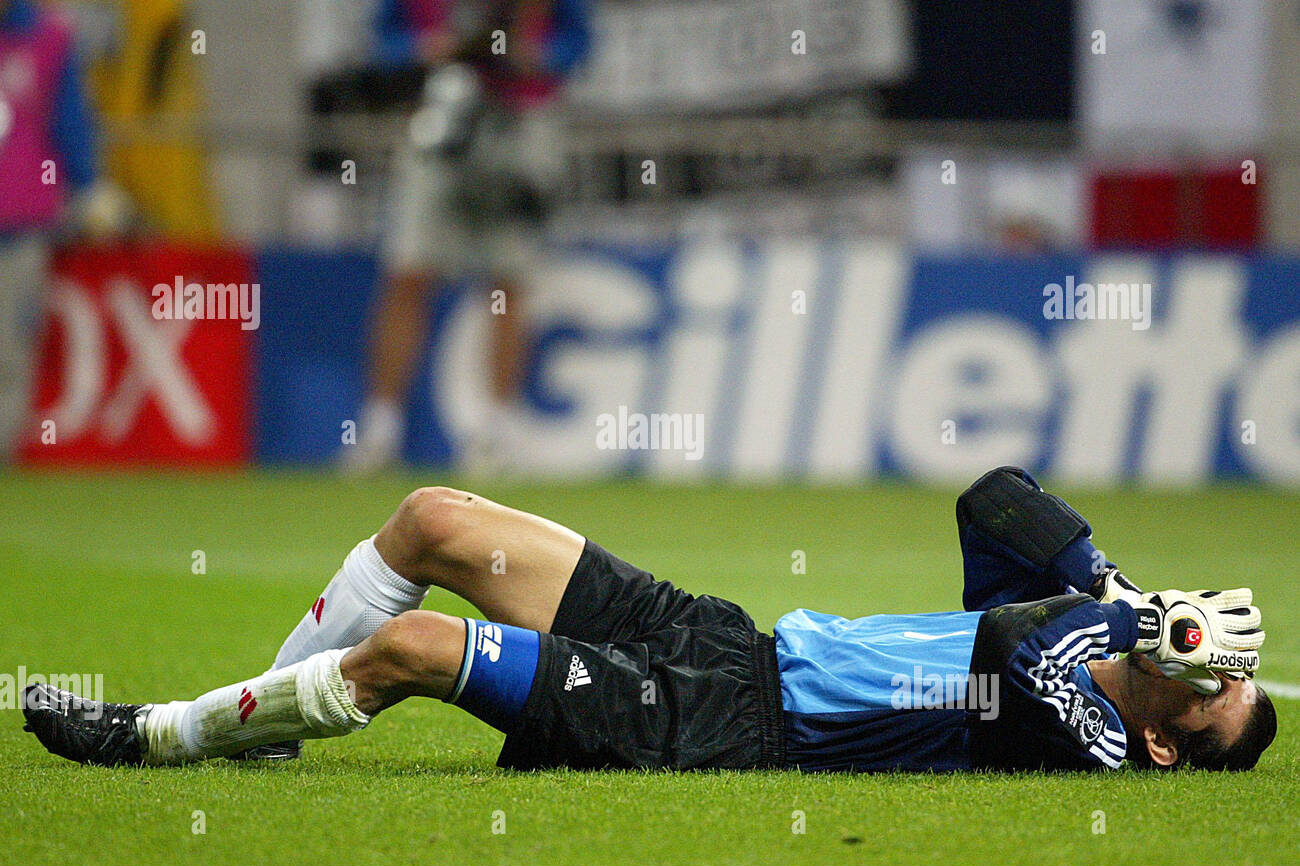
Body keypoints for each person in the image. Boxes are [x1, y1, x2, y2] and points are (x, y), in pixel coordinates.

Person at [22, 467, 1276, 773]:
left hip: (720, 723)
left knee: (406, 652)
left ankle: (157, 735)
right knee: (435, 520)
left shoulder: (1087, 736)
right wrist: (1115, 580)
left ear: (1172, 743)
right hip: (727, 637)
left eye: (1218, 692)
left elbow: (1010, 652)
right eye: (1230, 661)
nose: (1209, 660)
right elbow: (993, 498)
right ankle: (275, 724)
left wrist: (1095, 615)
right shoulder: (1087, 625)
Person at [342, 0, 592, 473]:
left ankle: (494, 434)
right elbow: (385, 38)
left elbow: (577, 40)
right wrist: (426, 50)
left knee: (508, 278)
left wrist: (535, 56)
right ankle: (379, 430)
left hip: (520, 119)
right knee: (410, 270)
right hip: (441, 116)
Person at [0, 0, 120, 460]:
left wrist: (90, 187)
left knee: (11, 350)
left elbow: (71, 120)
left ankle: (4, 470)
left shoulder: (49, 36)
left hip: (21, 223)